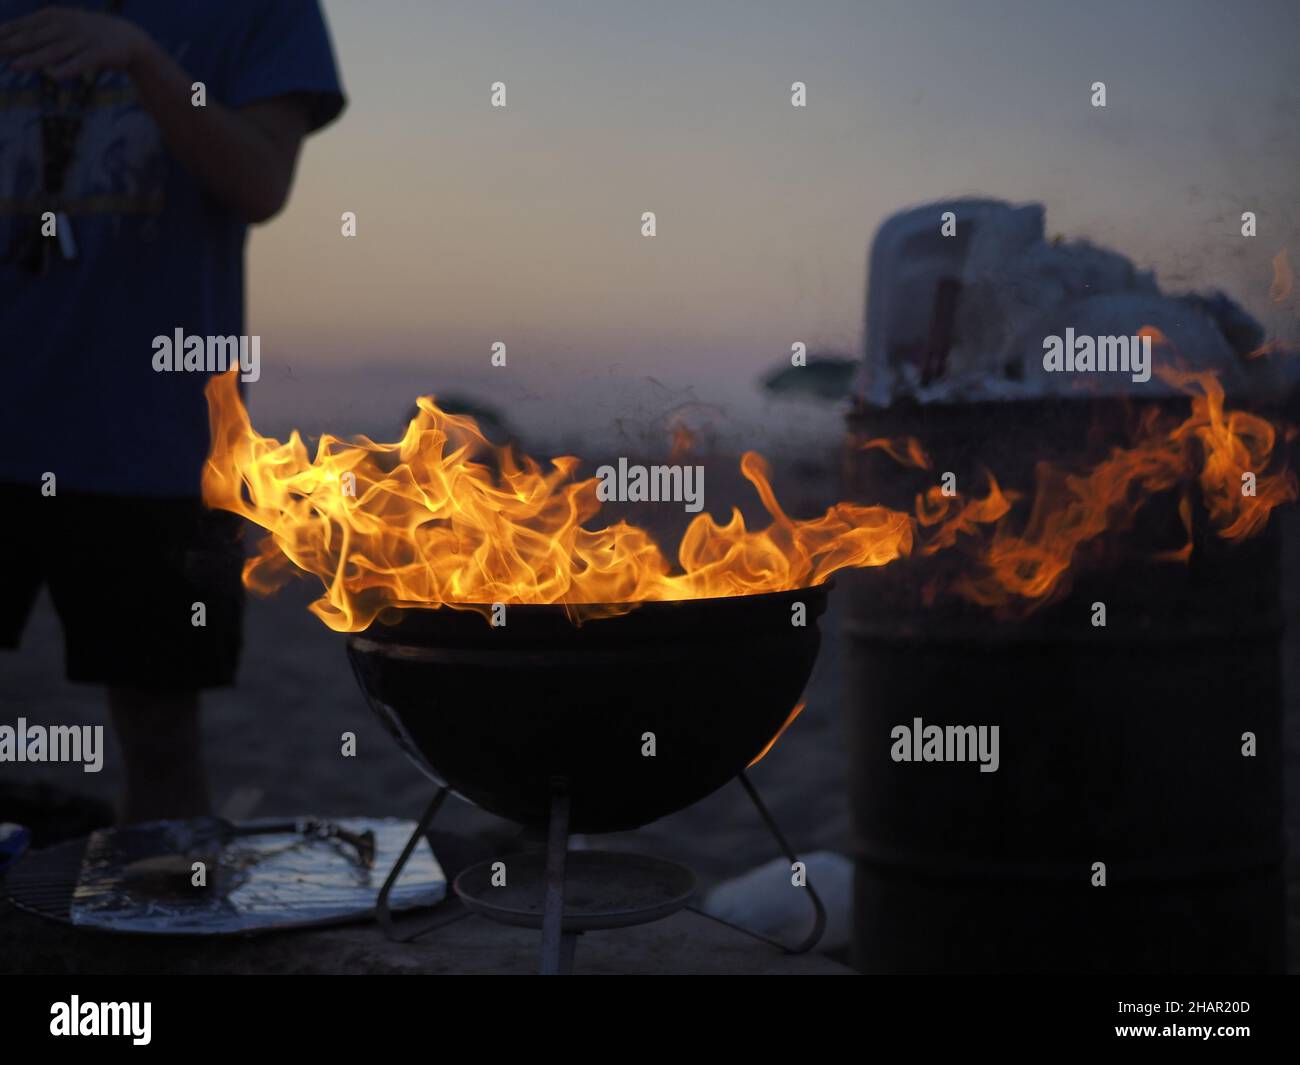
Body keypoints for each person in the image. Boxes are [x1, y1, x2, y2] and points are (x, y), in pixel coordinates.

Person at [0, 2, 345, 822]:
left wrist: (146, 63)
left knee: (159, 729)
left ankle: (161, 931)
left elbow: (261, 182)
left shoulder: (262, 10)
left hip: (156, 440)